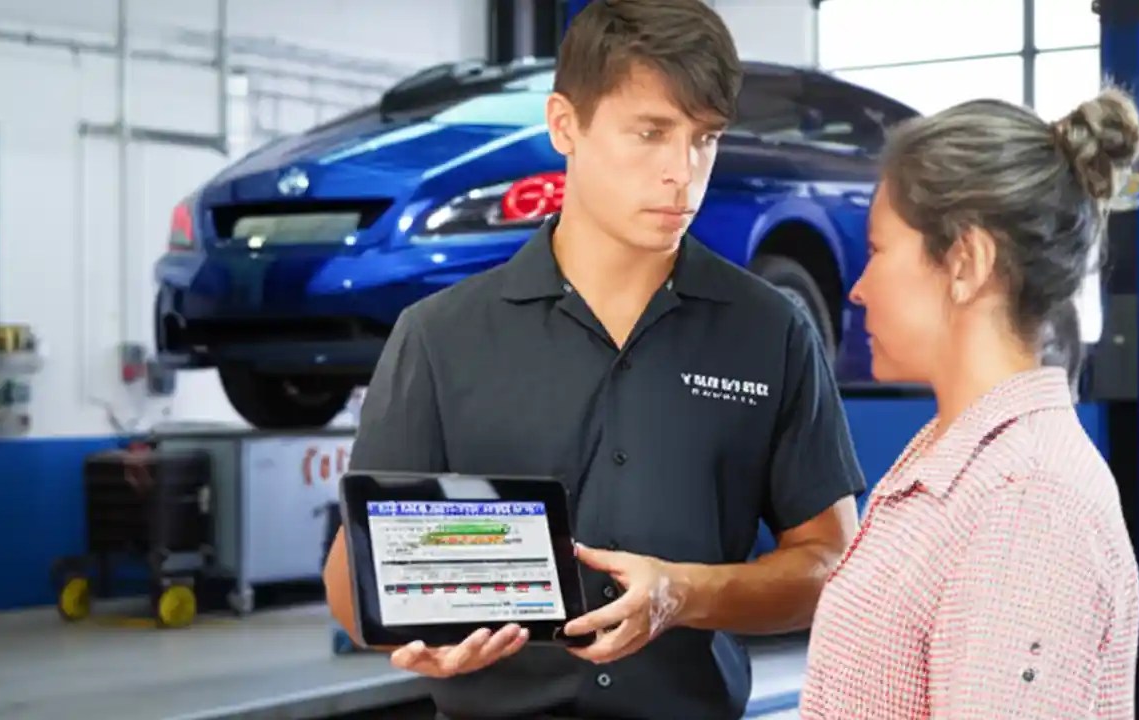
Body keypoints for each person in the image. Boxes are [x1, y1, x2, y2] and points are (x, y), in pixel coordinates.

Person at [322, 1, 866, 718]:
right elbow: (354, 574)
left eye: (705, 138)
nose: (683, 171)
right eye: (651, 133)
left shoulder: (771, 332)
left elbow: (831, 565)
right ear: (563, 125)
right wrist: (408, 630)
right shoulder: (439, 336)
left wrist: (684, 594)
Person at [800, 88, 1139, 719]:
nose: (857, 288)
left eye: (877, 251)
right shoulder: (956, 459)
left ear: (966, 260)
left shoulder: (1028, 505)